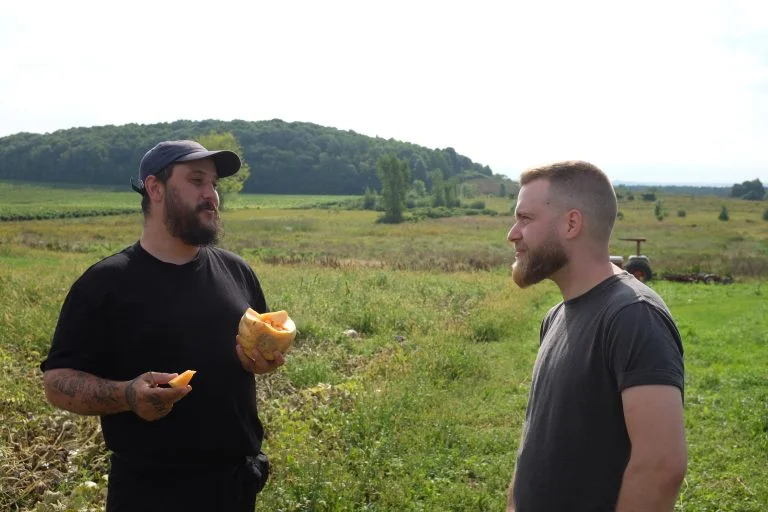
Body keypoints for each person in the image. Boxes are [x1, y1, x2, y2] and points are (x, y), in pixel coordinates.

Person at [40, 140, 285, 511]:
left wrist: (260, 361)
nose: (212, 196)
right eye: (197, 181)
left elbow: (251, 355)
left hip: (235, 485)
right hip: (150, 493)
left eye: (214, 185)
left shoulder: (237, 271)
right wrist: (127, 394)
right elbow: (56, 382)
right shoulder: (105, 283)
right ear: (155, 188)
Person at [505, 161, 687, 511]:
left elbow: (662, 466)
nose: (513, 233)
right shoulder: (556, 317)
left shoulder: (633, 316)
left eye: (525, 218)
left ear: (571, 223)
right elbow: (536, 441)